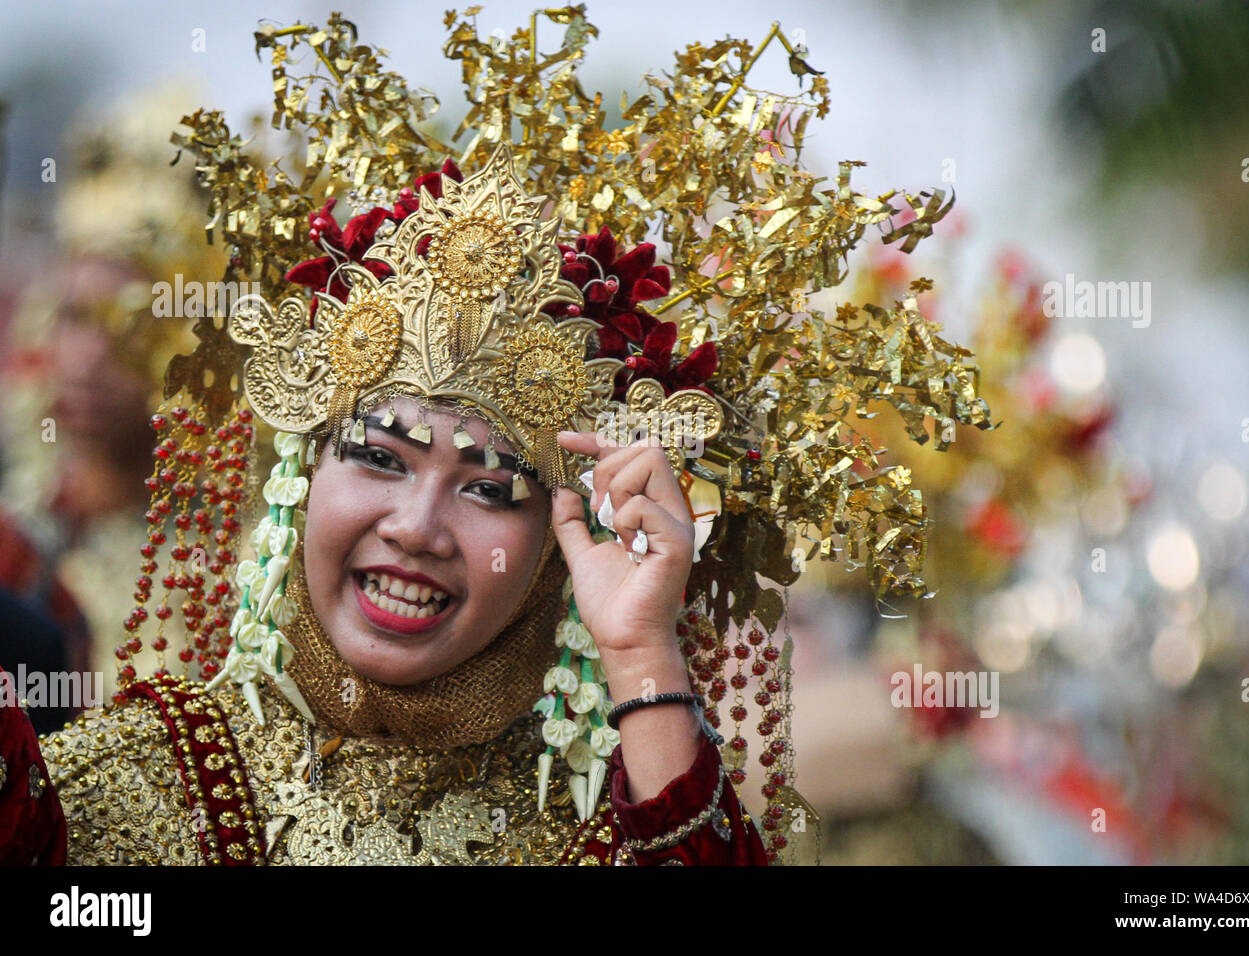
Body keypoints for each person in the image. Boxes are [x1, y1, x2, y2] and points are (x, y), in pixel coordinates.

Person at [24, 11, 986, 866]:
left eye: (489, 488)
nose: (416, 525)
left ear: (562, 549)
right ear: (299, 475)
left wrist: (642, 653)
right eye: (378, 456)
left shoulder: (615, 830)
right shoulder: (129, 795)